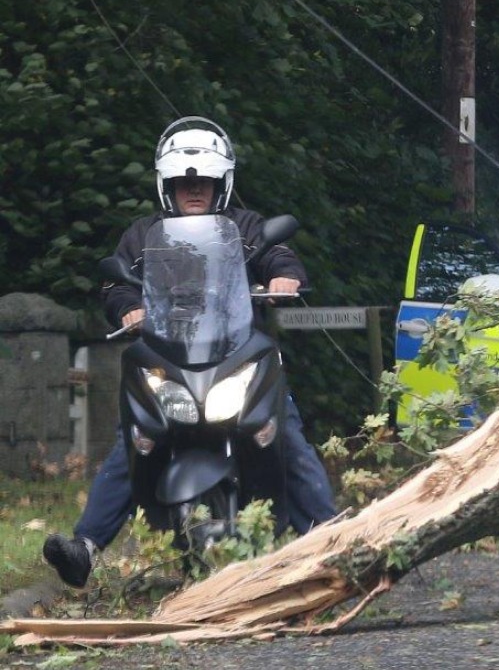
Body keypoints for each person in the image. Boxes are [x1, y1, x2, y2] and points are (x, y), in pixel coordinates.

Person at [43, 116, 337, 588]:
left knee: (286, 435)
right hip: (168, 362)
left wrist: (285, 276)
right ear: (167, 186)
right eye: (184, 182)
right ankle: (86, 547)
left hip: (238, 356)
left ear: (223, 184)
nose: (195, 189)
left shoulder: (245, 226)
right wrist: (128, 308)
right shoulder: (143, 234)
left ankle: (335, 546)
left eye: (205, 181)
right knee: (135, 439)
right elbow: (117, 284)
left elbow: (277, 254)